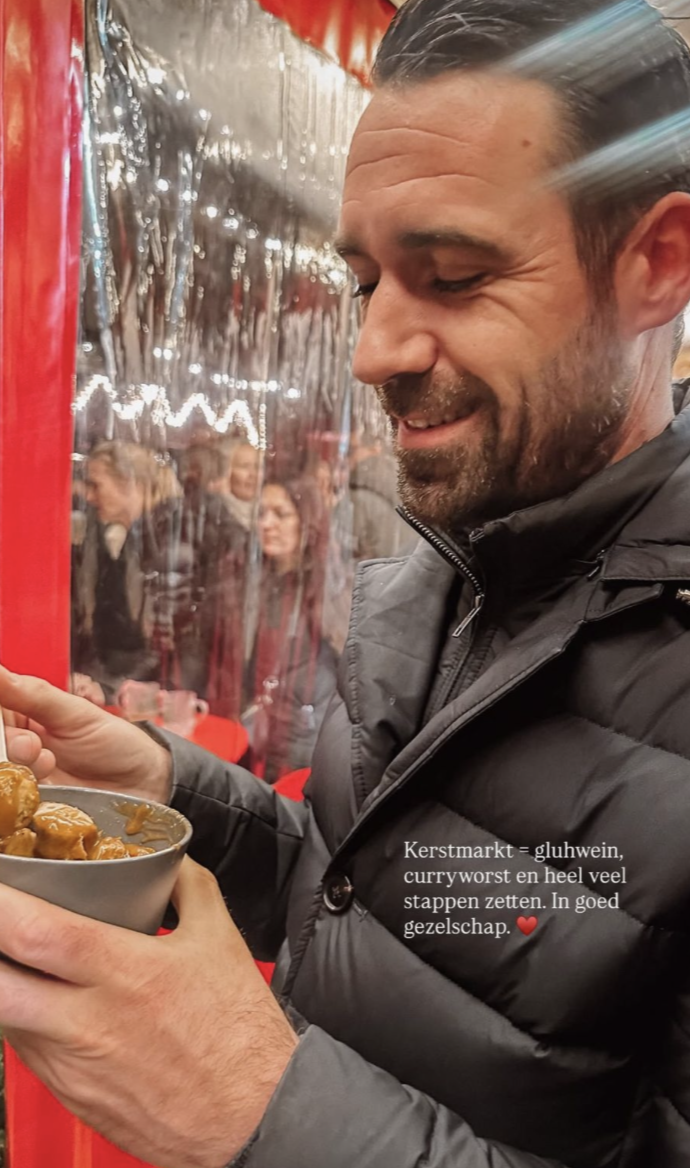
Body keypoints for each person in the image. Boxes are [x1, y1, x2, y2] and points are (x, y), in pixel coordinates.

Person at [3, 0, 690, 1164]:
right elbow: (387, 906)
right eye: (368, 280)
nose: (372, 350)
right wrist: (179, 800)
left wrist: (262, 1109)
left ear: (657, 265)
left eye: (457, 274)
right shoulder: (430, 569)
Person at [210, 477, 337, 782]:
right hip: (259, 732)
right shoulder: (254, 579)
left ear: (307, 520)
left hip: (305, 742)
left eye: (280, 514)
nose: (266, 524)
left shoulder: (331, 586)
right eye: (262, 513)